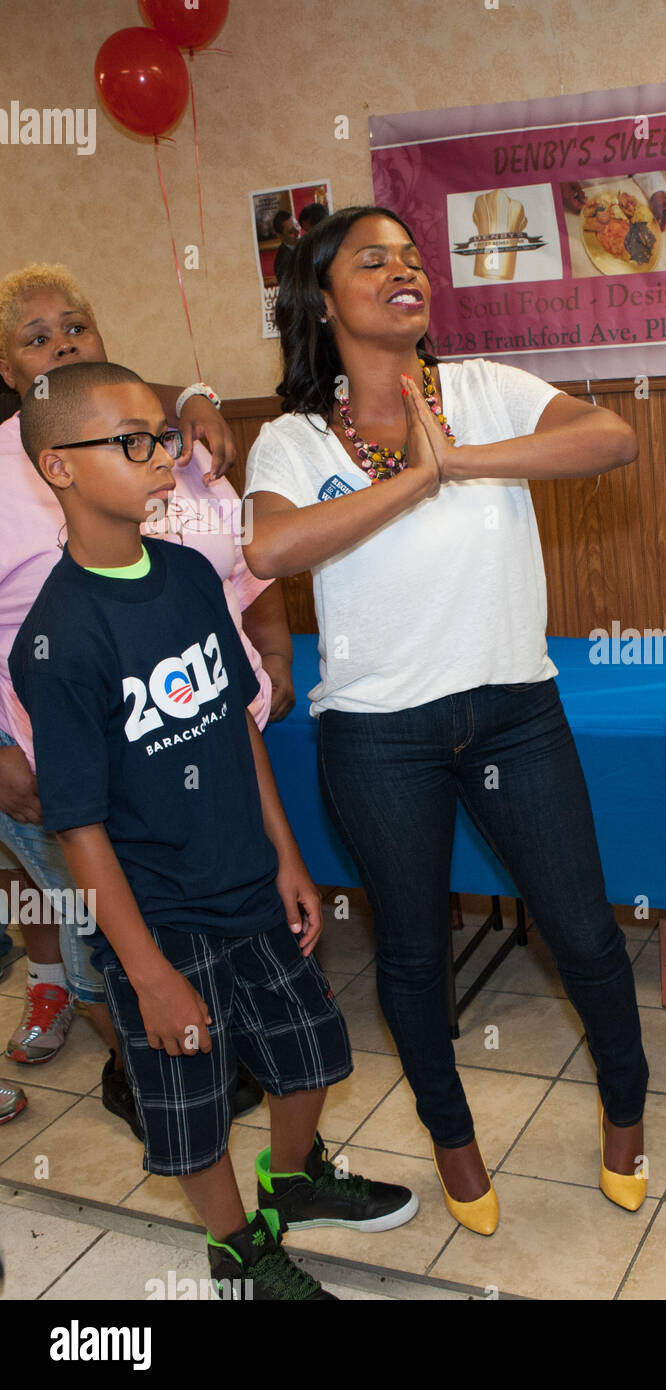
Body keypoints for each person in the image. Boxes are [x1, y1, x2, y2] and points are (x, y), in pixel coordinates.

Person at [241, 205, 649, 1233]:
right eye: (372, 261)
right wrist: (417, 478)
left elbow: (611, 438)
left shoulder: (482, 391)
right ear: (321, 301)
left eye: (414, 259)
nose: (405, 271)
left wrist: (458, 461)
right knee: (415, 953)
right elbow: (273, 551)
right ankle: (455, 1145)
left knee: (586, 931)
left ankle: (626, 1118)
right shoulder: (292, 438)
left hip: (516, 708)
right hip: (379, 735)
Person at [11, 361, 419, 1298]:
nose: (164, 456)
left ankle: (295, 1178)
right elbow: (77, 826)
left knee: (313, 1055)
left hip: (249, 887)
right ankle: (238, 1247)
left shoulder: (194, 574)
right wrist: (147, 975)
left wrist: (287, 857)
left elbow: (237, 725)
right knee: (191, 1108)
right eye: (132, 441)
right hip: (159, 922)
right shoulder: (59, 639)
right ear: (59, 469)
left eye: (162, 433)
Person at [0, 263, 291, 1130]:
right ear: (7, 367)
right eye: (34, 337)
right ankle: (151, 1084)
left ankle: (217, 1066)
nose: (59, 343)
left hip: (199, 734)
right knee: (111, 939)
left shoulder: (160, 442)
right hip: (64, 760)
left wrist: (270, 652)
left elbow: (238, 559)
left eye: (73, 326)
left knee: (215, 927)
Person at [271, 210, 300, 287]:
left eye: (297, 225)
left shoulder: (307, 244)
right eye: (291, 232)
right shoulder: (282, 262)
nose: (297, 232)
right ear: (280, 236)